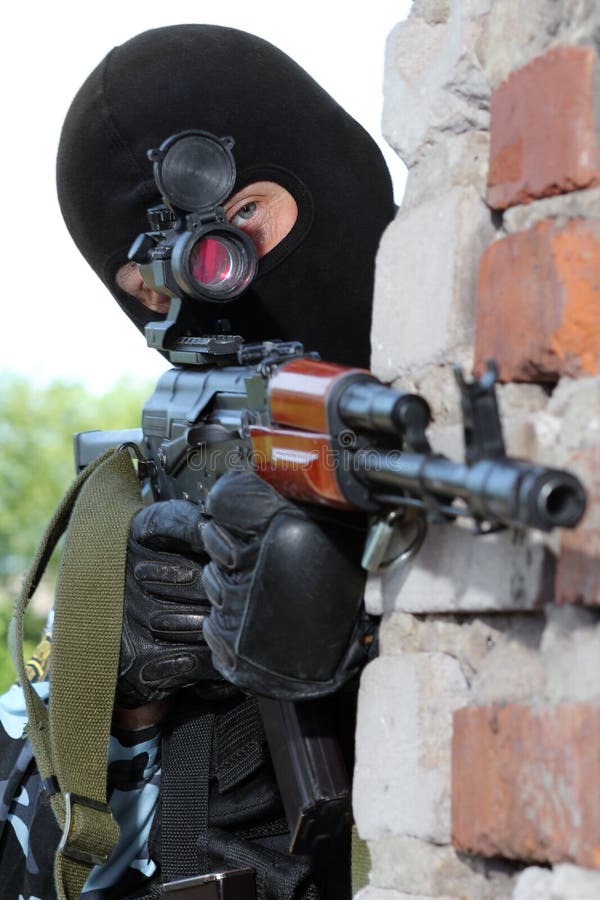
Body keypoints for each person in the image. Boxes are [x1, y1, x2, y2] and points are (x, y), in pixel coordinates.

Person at [0, 24, 395, 900]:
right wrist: (119, 697)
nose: (223, 283)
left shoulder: (521, 403)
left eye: (246, 215)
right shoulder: (149, 489)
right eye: (152, 286)